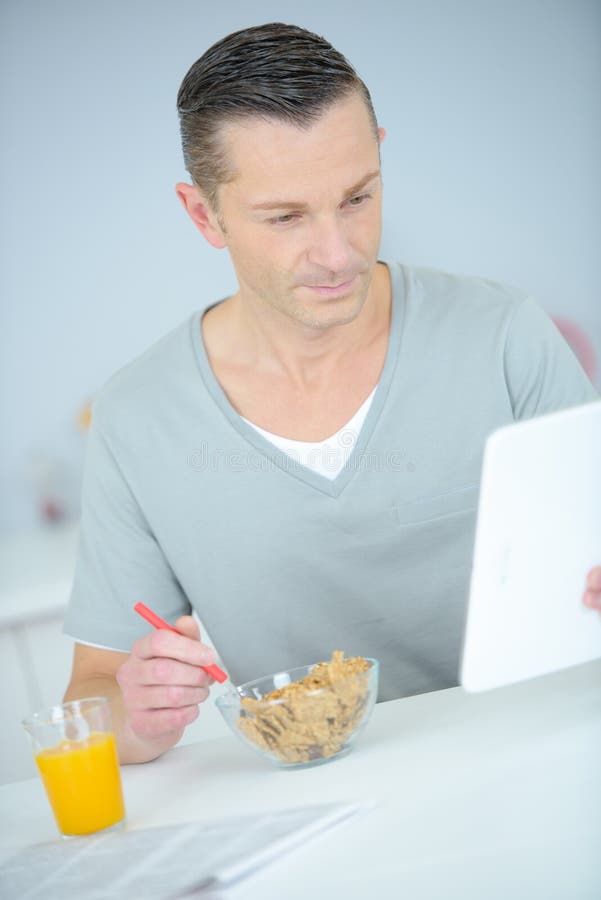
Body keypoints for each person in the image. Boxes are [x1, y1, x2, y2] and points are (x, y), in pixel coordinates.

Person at [63, 23, 599, 764]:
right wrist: (139, 710)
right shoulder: (136, 417)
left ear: (378, 151)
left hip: (544, 760)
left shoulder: (502, 332)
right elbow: (92, 694)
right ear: (202, 214)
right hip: (319, 818)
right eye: (284, 217)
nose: (337, 252)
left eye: (357, 196)